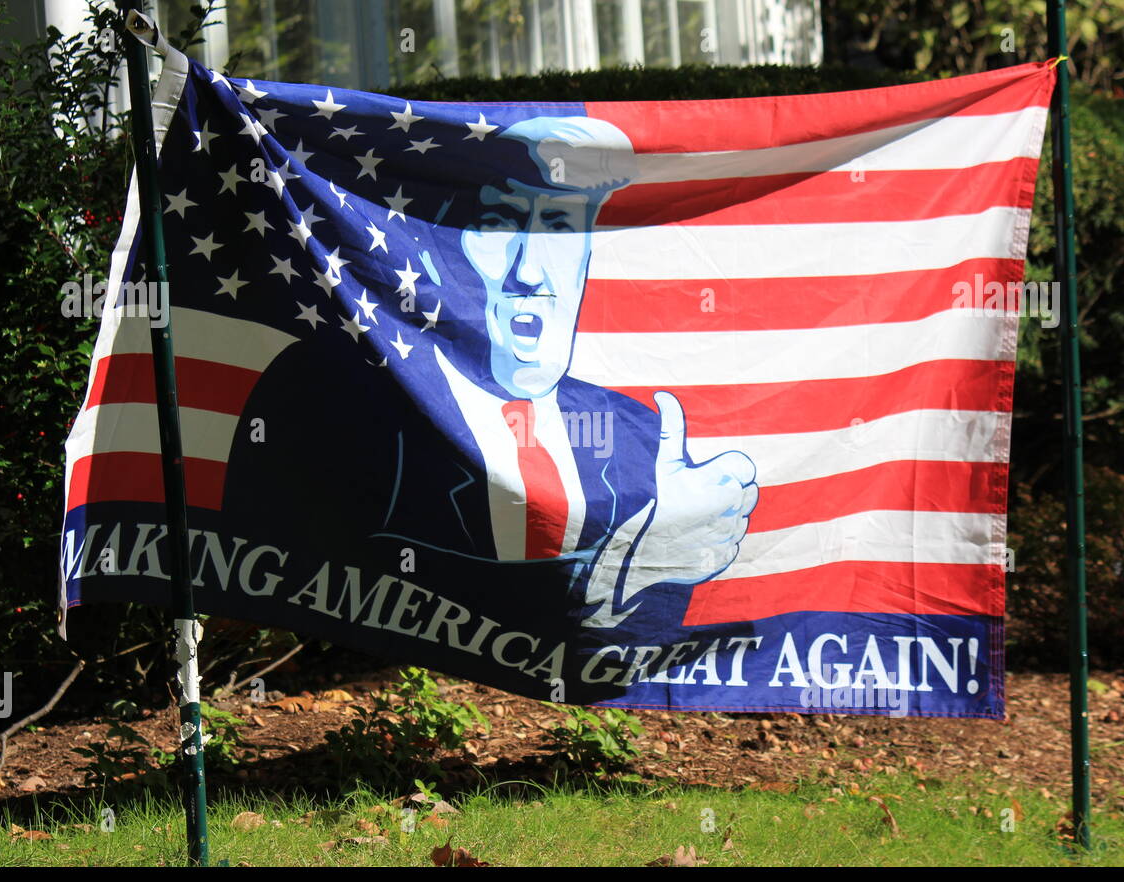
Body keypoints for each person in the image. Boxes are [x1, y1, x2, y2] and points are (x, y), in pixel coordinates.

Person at [222, 114, 757, 633]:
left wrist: (665, 555)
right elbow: (343, 577)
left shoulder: (632, 435)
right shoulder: (336, 406)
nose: (528, 271)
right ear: (432, 249)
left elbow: (650, 656)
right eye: (498, 223)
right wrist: (616, 575)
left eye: (559, 224)